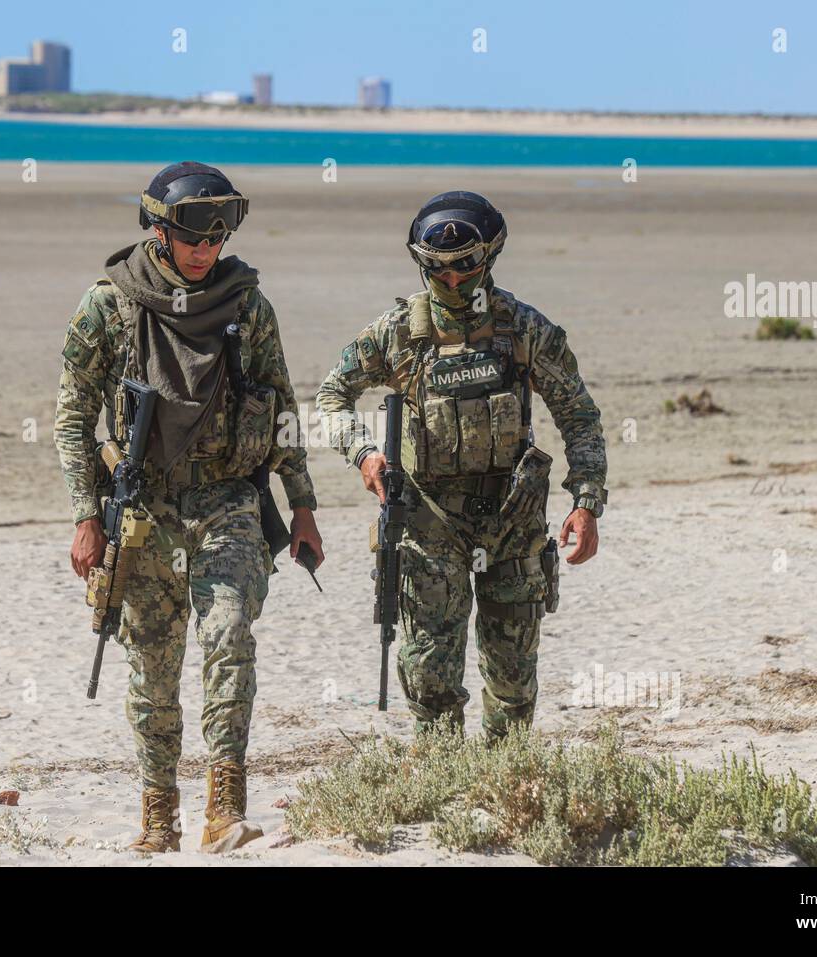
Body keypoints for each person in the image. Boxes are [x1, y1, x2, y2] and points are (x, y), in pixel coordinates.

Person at [55, 161, 322, 852]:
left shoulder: (247, 306)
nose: (207, 248)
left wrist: (302, 506)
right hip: (144, 508)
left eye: (219, 233)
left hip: (229, 498)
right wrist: (87, 514)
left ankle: (224, 804)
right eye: (193, 233)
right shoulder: (110, 304)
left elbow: (282, 407)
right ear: (159, 228)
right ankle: (157, 812)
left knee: (229, 631)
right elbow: (72, 415)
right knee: (152, 663)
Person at [315, 190, 606, 739]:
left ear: (490, 257)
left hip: (513, 517)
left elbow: (579, 415)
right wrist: (364, 452)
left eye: (465, 266)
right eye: (438, 269)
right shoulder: (398, 333)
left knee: (514, 678)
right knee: (429, 676)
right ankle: (441, 785)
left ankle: (506, 786)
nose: (452, 280)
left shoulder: (524, 329)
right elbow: (332, 396)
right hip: (428, 522)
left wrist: (587, 501)